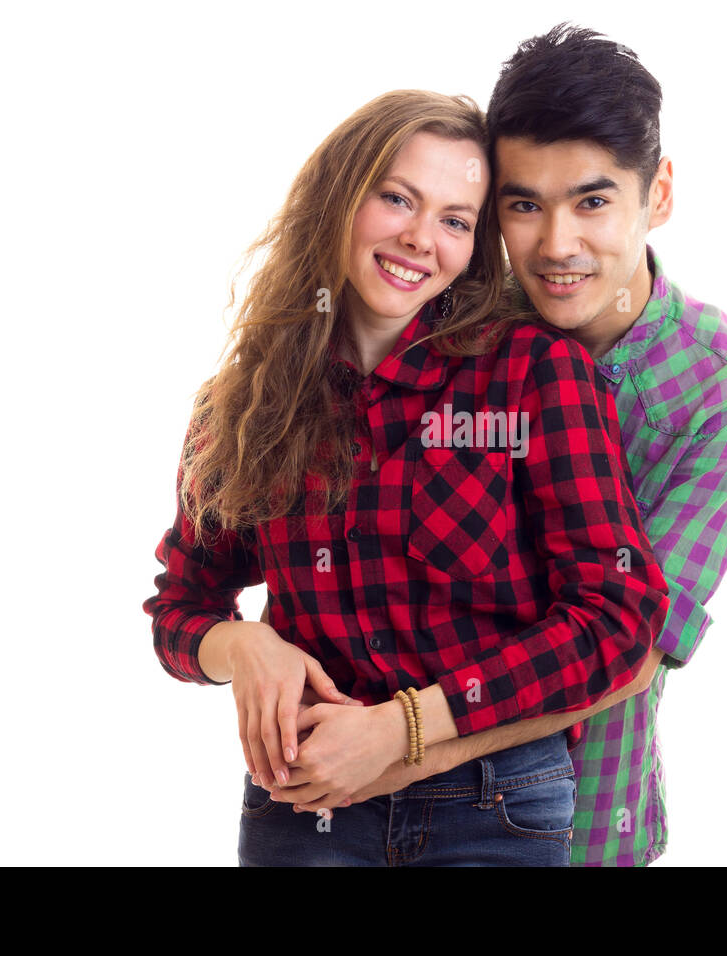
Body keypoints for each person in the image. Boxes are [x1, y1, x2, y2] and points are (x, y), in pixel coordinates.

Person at [281, 25, 727, 868]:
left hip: (588, 814)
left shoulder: (725, 393)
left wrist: (396, 747)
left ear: (657, 193)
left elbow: (628, 646)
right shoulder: (442, 315)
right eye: (523, 204)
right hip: (350, 825)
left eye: (592, 202)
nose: (555, 247)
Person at [142, 89, 670, 866]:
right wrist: (246, 646)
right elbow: (181, 604)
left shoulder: (531, 373)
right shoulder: (248, 400)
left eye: (456, 220)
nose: (422, 239)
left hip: (497, 809)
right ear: (339, 197)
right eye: (397, 199)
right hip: (303, 806)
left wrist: (408, 726)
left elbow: (621, 617)